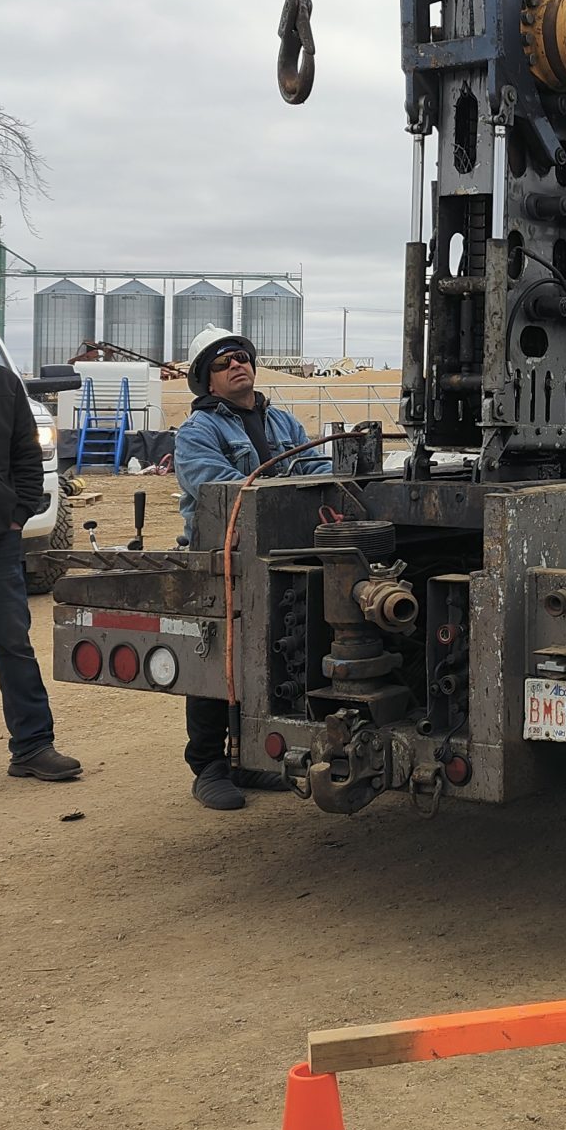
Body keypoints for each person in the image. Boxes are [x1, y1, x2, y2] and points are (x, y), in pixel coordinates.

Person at [174, 327, 328, 813]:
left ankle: (250, 759)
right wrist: (289, 495)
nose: (236, 365)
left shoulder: (283, 421)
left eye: (241, 356)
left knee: (270, 654)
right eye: (222, 363)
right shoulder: (198, 432)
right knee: (217, 662)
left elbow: (317, 471)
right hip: (225, 557)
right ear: (208, 381)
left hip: (283, 555)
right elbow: (218, 487)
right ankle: (209, 766)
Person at [0, 287, 81, 782]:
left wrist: (16, 515)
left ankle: (33, 746)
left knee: (13, 644)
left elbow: (26, 457)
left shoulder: (2, 383)